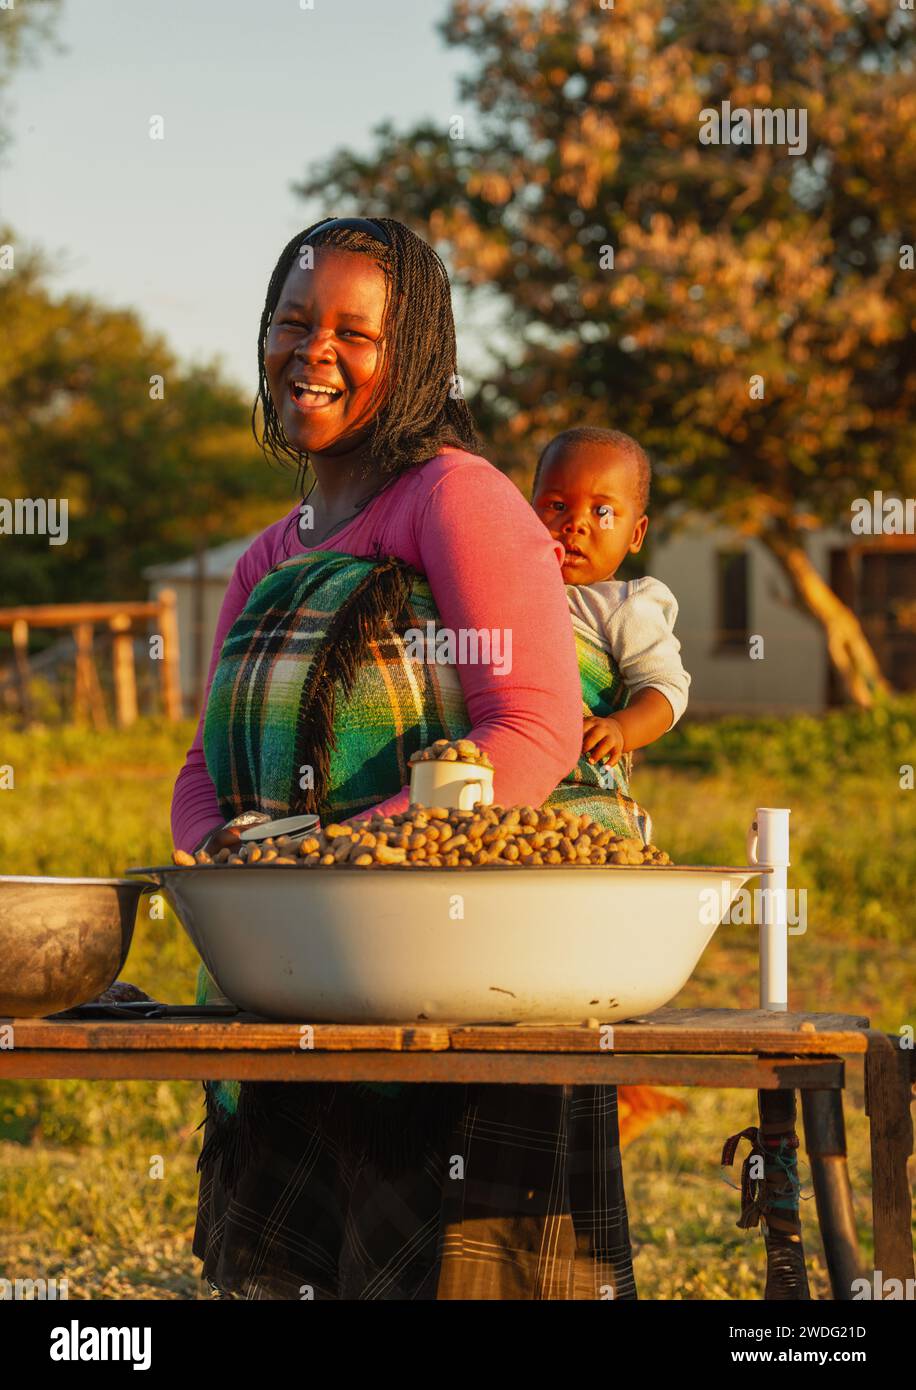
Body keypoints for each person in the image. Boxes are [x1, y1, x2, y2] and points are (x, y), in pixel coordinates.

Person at [171, 216, 637, 1299]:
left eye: (353, 330)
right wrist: (236, 874)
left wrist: (338, 866)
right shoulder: (268, 552)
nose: (312, 350)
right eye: (292, 323)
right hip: (296, 968)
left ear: (418, 347)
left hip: (457, 974)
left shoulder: (455, 497)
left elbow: (531, 728)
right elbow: (203, 768)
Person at [531, 427, 691, 841]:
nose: (575, 524)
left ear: (636, 534)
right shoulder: (516, 584)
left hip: (583, 787)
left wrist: (621, 728)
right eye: (558, 505)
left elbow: (666, 687)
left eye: (602, 512)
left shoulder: (624, 604)